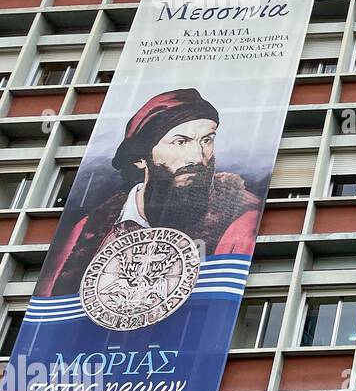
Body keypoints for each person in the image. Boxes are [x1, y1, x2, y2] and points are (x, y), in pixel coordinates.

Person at [37, 88, 259, 295]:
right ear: (140, 158)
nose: (197, 157)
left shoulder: (242, 221)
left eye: (207, 140)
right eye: (180, 142)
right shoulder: (87, 230)